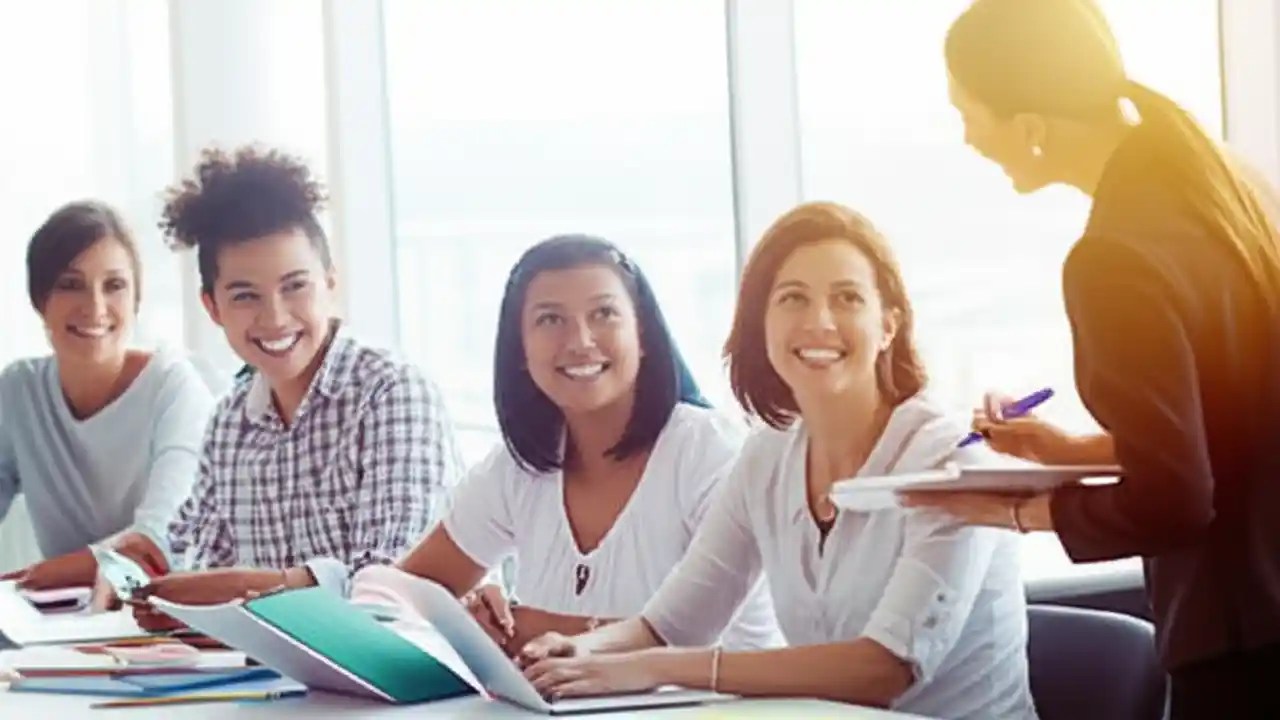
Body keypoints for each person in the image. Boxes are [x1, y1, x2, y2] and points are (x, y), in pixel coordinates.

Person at [902, 1, 1280, 717]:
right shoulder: (1227, 191)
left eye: (969, 114)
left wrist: (1020, 513)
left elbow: (1176, 501)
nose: (968, 138)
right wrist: (1077, 452)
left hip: (1241, 645)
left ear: (1032, 126)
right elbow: (1238, 433)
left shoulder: (1113, 259)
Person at [517, 203, 1035, 719]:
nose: (819, 322)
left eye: (848, 298)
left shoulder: (950, 458)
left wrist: (657, 668)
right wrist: (580, 650)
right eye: (793, 298)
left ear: (888, 327)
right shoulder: (766, 456)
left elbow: (884, 670)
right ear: (762, 325)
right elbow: (669, 625)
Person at [352, 235, 782, 654]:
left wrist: (546, 629)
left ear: (643, 335)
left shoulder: (708, 453)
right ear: (520, 349)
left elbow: (720, 648)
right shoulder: (516, 467)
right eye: (550, 320)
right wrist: (469, 613)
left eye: (604, 313)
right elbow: (394, 594)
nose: (580, 341)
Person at [124, 146, 461, 629]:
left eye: (295, 286)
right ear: (212, 307)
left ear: (330, 283)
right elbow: (195, 566)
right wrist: (161, 578)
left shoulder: (392, 394)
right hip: (270, 671)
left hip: (399, 669)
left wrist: (248, 589)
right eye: (245, 296)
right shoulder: (229, 422)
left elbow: (392, 588)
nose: (275, 317)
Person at [0, 201, 212, 590]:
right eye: (70, 284)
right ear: (39, 299)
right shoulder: (18, 391)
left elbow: (159, 542)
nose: (95, 307)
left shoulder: (173, 387)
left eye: (114, 286)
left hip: (169, 612)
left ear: (135, 299)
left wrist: (33, 579)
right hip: (63, 613)